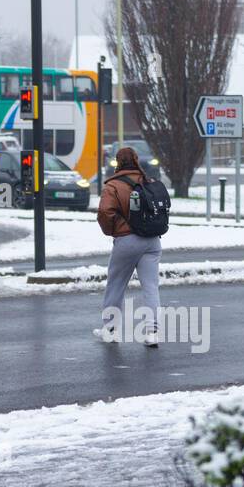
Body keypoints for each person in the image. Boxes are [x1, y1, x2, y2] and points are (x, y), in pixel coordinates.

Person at [95, 146, 161, 347]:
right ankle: (152, 333)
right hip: (152, 240)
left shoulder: (113, 186)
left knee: (116, 283)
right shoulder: (148, 181)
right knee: (151, 286)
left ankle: (110, 329)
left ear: (118, 162)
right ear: (136, 160)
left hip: (127, 240)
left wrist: (115, 230)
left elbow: (105, 212)